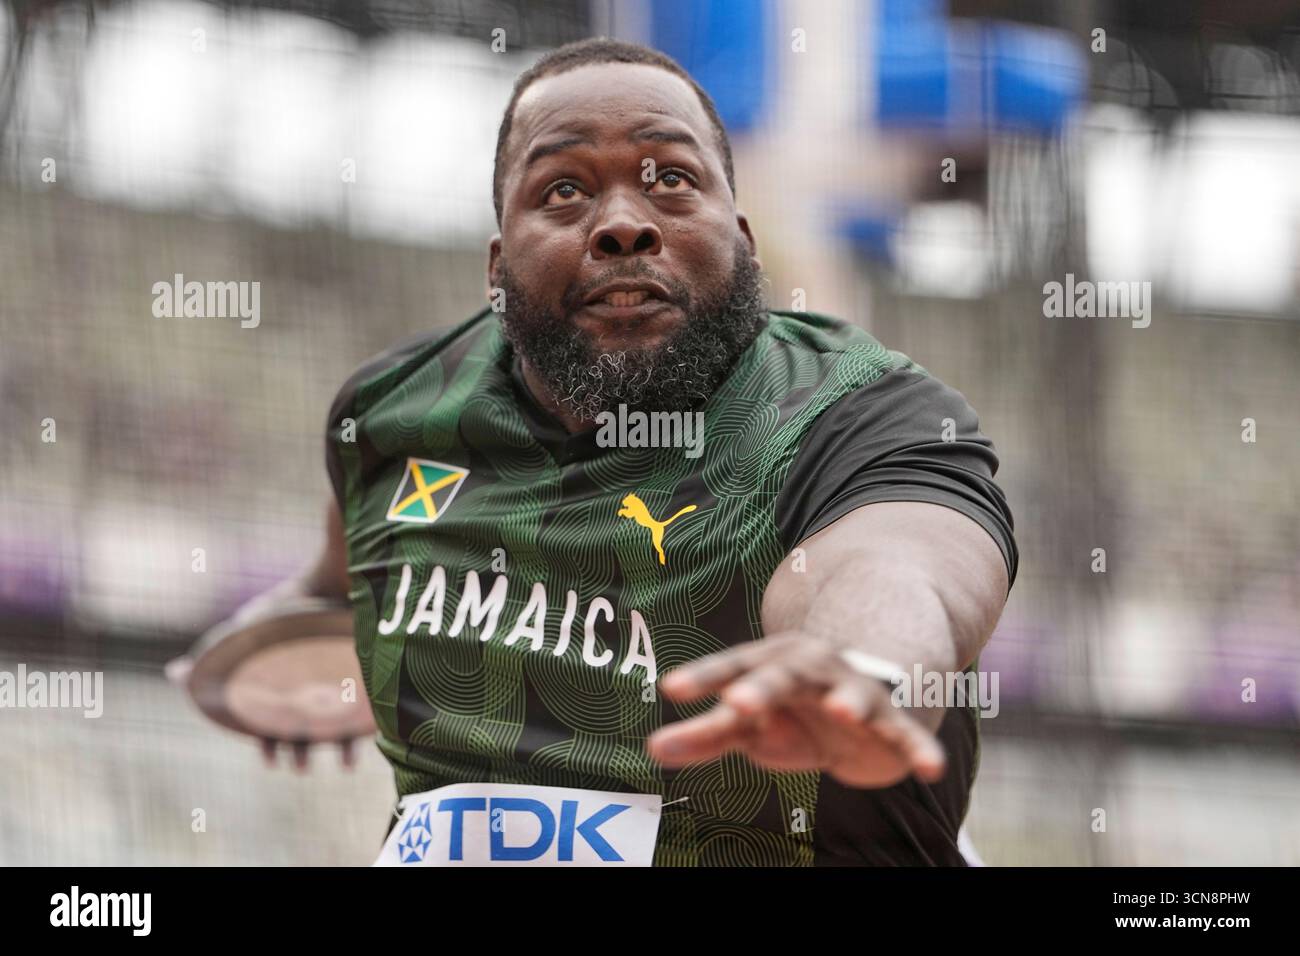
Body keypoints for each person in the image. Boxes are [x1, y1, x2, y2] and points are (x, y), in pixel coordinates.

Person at [250, 37, 1018, 866]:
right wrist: (292, 629)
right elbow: (343, 561)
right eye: (565, 189)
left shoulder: (856, 413)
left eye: (673, 180)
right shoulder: (390, 413)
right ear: (498, 267)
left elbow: (904, 565)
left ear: (745, 240)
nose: (622, 224)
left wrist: (863, 661)